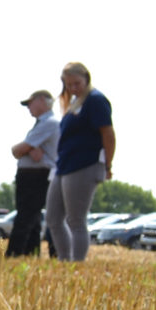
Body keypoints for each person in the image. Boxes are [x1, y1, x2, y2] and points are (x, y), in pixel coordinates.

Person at [43, 63, 113, 262]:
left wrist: (108, 164)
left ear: (86, 79)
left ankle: (77, 263)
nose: (73, 88)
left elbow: (108, 134)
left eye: (77, 83)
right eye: (69, 84)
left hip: (85, 165)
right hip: (63, 165)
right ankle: (65, 260)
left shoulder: (96, 100)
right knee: (53, 218)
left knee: (76, 219)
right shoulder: (73, 102)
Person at [6, 89, 59, 257]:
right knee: (33, 219)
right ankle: (30, 254)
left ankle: (14, 254)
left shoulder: (48, 123)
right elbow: (24, 149)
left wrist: (24, 149)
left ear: (42, 100)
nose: (28, 107)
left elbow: (17, 150)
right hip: (36, 173)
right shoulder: (43, 124)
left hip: (36, 175)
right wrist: (29, 149)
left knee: (25, 217)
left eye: (30, 103)